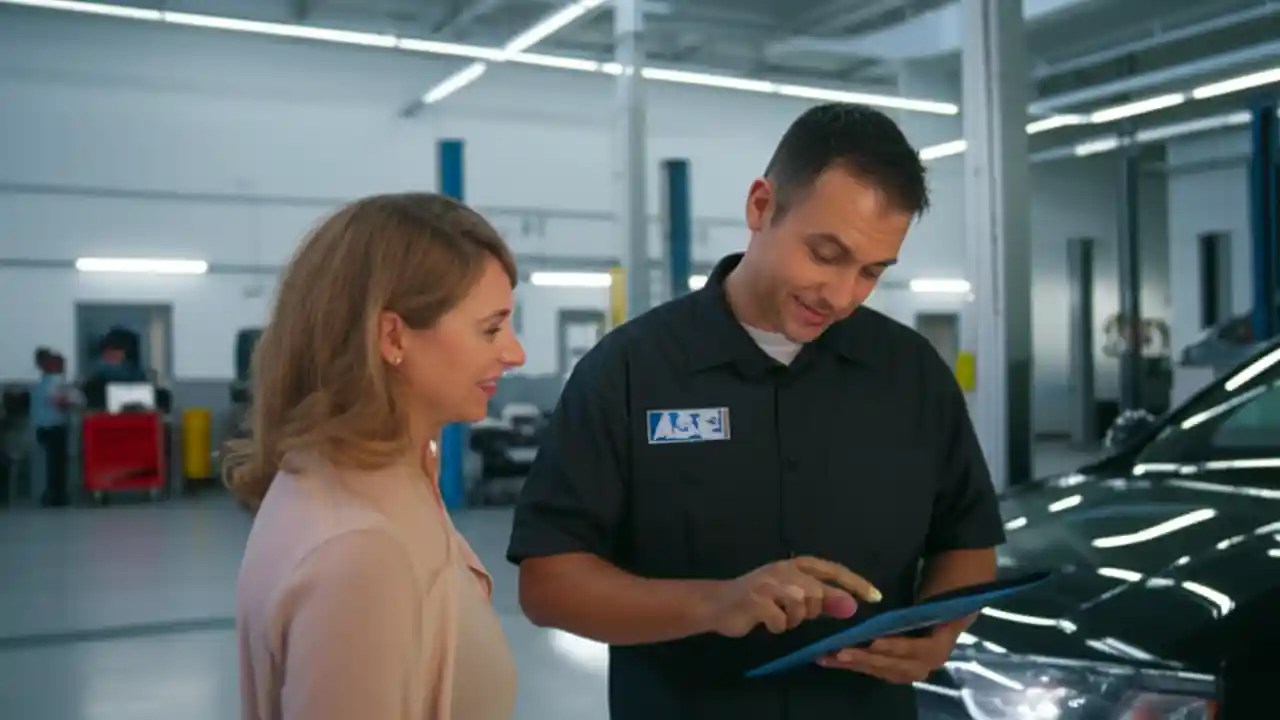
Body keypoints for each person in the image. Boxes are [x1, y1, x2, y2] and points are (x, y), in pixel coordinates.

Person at [507, 103, 1006, 719]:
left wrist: (939, 635)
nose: (842, 295)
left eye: (872, 272)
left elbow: (969, 541)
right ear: (761, 206)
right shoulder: (630, 373)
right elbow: (549, 583)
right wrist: (715, 604)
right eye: (826, 254)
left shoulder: (911, 375)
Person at [229, 193, 526, 720]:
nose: (515, 352)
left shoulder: (362, 477)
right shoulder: (361, 551)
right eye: (491, 328)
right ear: (393, 336)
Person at [32, 348, 74, 507]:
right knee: (57, 464)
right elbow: (59, 402)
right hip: (55, 427)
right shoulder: (55, 382)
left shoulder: (42, 382)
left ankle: (52, 493)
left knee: (52, 463)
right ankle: (57, 495)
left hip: (43, 427)